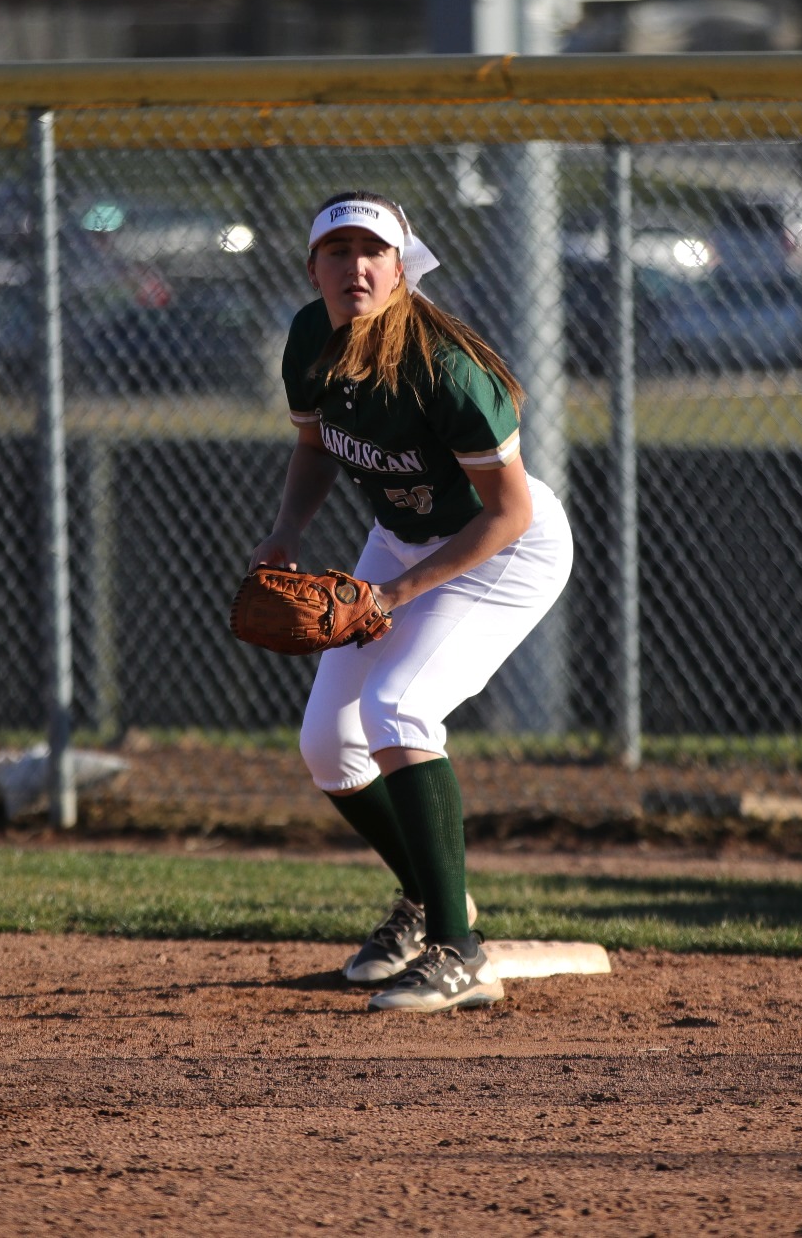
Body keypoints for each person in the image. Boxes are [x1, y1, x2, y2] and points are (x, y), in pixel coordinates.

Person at [247, 191, 574, 1013]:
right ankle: (432, 900)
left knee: (398, 706)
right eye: (338, 251)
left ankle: (461, 954)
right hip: (400, 540)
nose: (355, 266)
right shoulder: (310, 338)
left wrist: (395, 593)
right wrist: (286, 530)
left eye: (373, 252)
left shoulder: (444, 368)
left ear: (400, 268)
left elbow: (510, 512)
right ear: (313, 267)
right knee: (329, 744)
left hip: (504, 550)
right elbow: (316, 444)